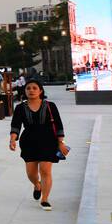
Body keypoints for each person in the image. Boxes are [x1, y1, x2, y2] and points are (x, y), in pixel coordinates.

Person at [9, 79, 68, 211]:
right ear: (24, 91)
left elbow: (58, 124)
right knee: (31, 173)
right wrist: (13, 139)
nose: (31, 90)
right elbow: (16, 125)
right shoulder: (20, 108)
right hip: (29, 141)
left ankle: (45, 199)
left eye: (34, 88)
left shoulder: (50, 106)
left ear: (40, 91)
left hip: (48, 140)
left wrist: (61, 142)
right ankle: (37, 184)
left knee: (46, 170)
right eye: (28, 88)